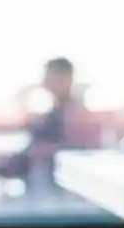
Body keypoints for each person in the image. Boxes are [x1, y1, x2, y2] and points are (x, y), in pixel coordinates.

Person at [25, 57, 86, 197]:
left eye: (49, 76)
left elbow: (78, 150)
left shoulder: (75, 114)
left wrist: (46, 150)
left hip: (59, 187)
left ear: (65, 78)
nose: (45, 81)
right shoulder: (52, 113)